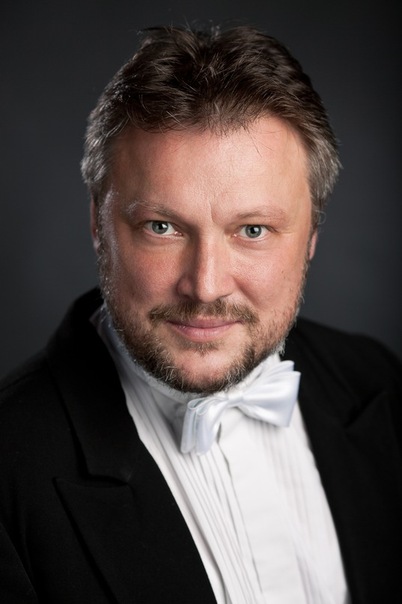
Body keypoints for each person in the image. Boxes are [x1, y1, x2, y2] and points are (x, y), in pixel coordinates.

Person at [0, 24, 401, 604]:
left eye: (253, 230)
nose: (206, 286)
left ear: (313, 234)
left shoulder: (379, 383)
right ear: (97, 223)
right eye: (162, 227)